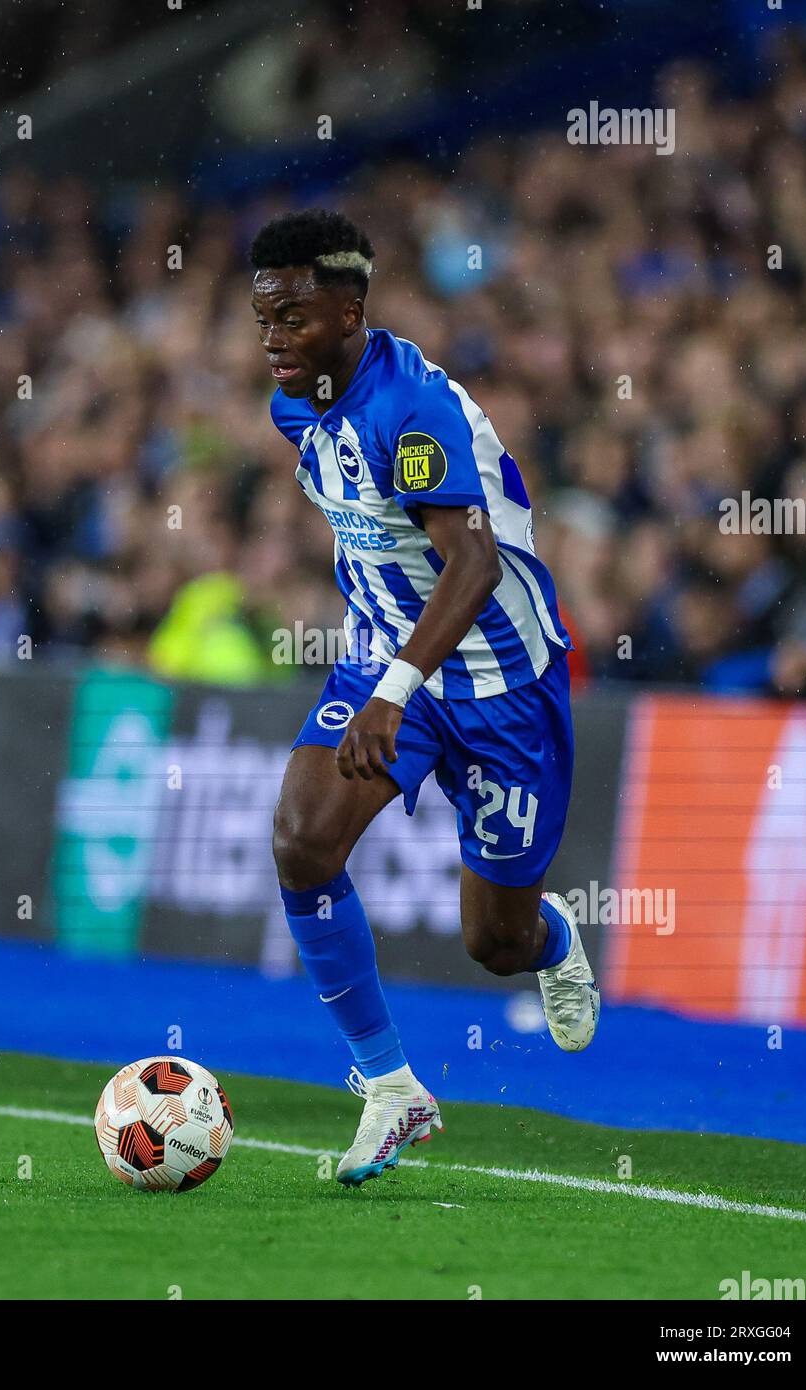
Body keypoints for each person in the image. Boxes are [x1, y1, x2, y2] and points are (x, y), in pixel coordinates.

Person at [251, 209, 599, 1187]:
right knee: (300, 838)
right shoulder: (296, 404)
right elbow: (369, 534)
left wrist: (395, 689)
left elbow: (474, 562)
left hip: (497, 687)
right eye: (262, 319)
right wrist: (382, 665)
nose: (273, 339)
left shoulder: (412, 410)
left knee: (494, 943)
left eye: (293, 317)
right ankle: (390, 1087)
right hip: (384, 666)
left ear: (349, 310)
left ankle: (551, 935)